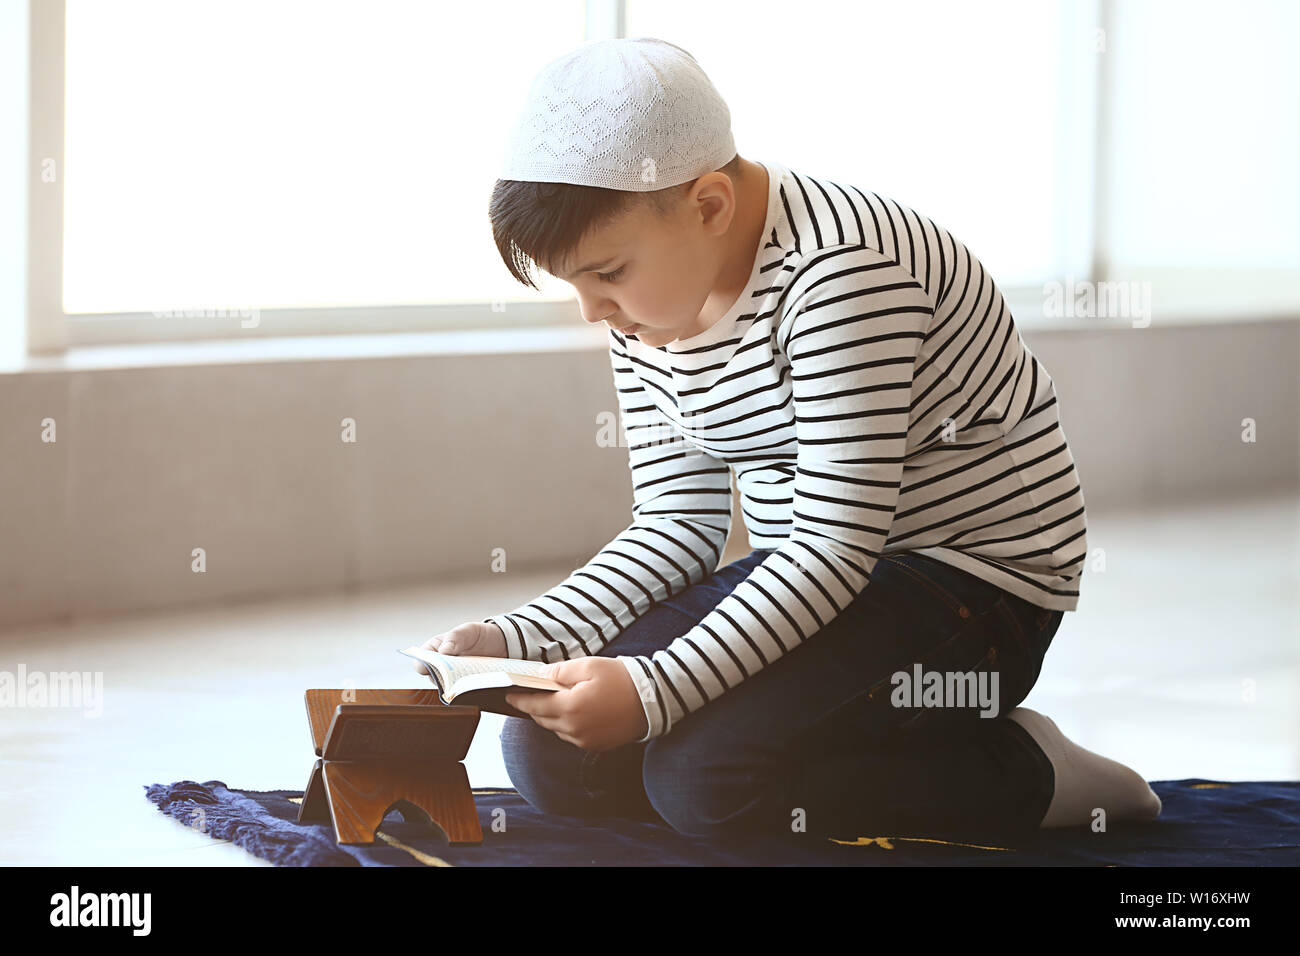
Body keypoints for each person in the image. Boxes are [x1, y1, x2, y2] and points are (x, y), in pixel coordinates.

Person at [412, 37, 1161, 840]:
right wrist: (515, 637)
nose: (593, 312)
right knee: (553, 755)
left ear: (708, 206)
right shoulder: (649, 298)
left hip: (973, 591)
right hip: (808, 568)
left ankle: (1028, 770)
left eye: (607, 274)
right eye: (575, 283)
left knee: (703, 779)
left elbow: (837, 547)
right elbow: (676, 525)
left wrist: (654, 688)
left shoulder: (844, 274)